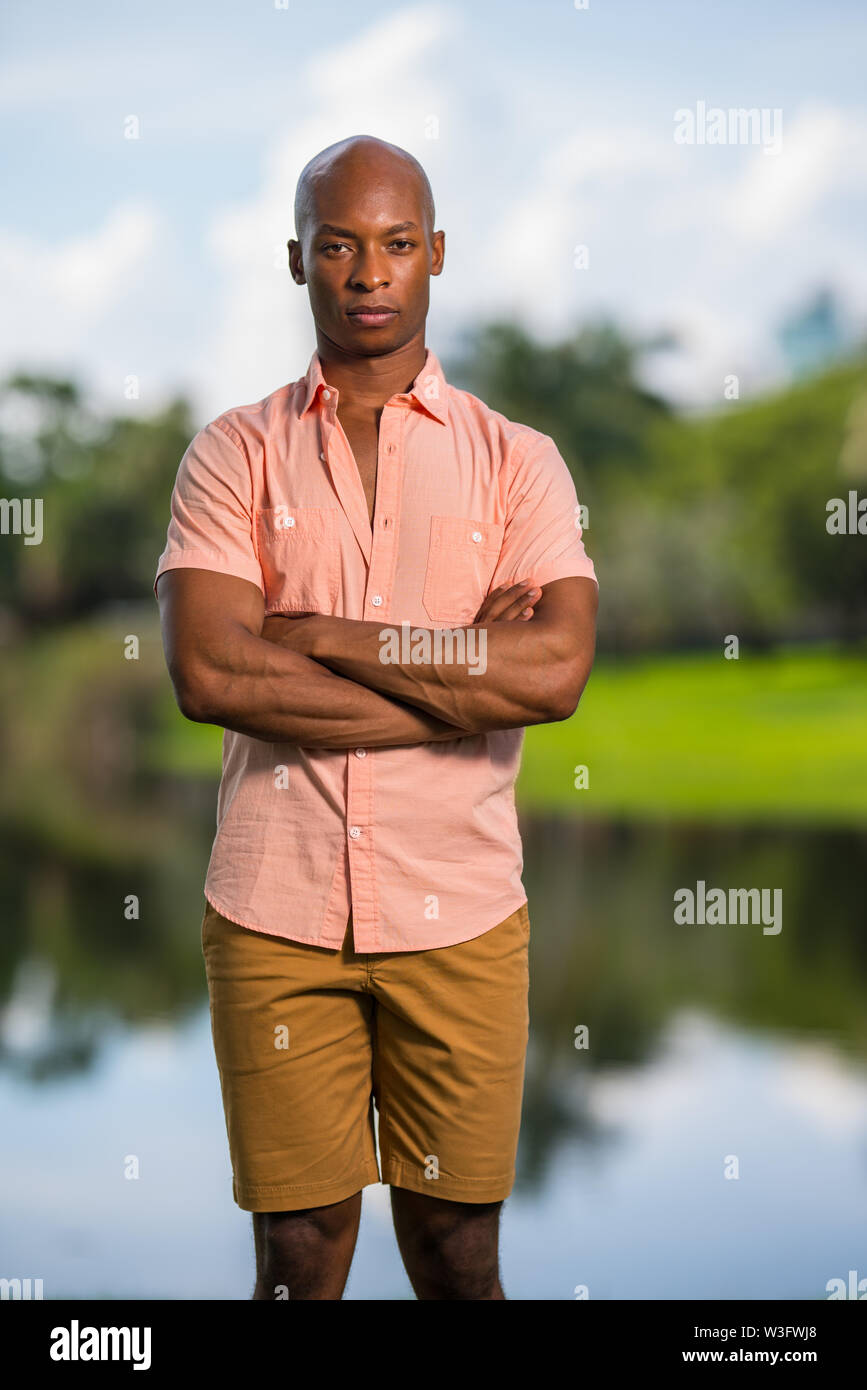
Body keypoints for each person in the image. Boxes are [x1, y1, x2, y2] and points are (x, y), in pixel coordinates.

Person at [154, 134, 598, 1300]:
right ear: (296, 257)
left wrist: (329, 638)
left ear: (436, 254)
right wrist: (461, 680)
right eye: (339, 246)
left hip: (462, 920)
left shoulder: (521, 463)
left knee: (460, 1254)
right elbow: (210, 676)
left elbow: (553, 676)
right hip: (273, 913)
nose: (368, 273)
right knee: (299, 1257)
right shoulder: (231, 453)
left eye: (397, 245)